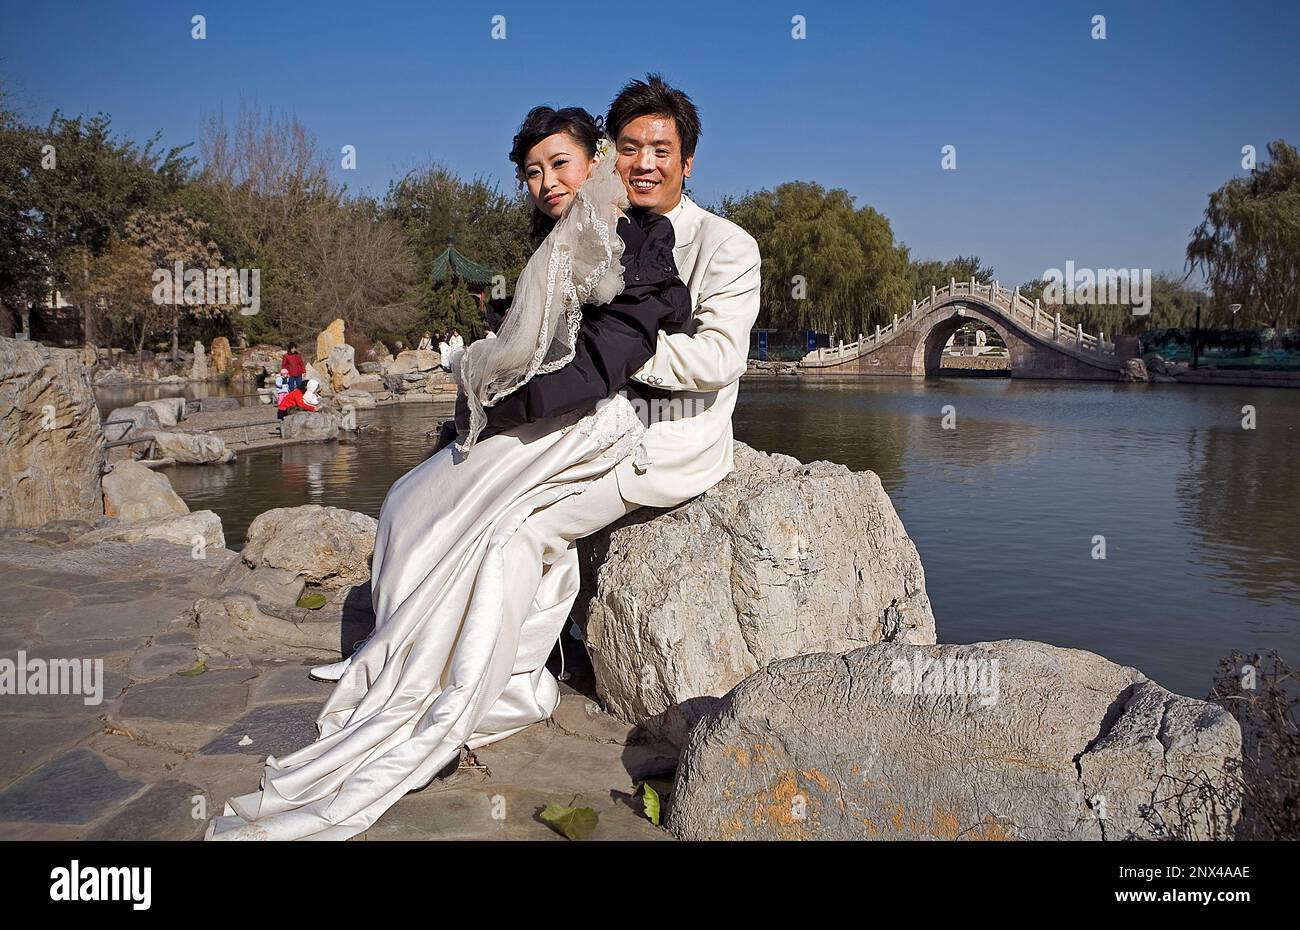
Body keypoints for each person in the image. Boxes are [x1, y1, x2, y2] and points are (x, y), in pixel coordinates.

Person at [206, 102, 708, 842]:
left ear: (594, 161)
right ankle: (405, 642)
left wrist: (497, 402)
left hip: (580, 420)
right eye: (532, 173)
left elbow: (604, 358)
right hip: (544, 408)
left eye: (559, 165)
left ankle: (441, 677)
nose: (545, 182)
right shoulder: (564, 234)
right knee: (411, 498)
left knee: (438, 504)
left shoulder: (636, 234)